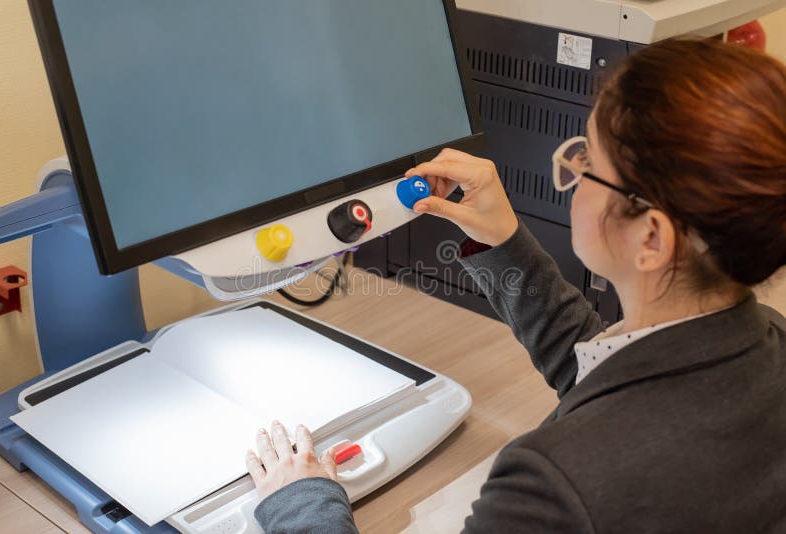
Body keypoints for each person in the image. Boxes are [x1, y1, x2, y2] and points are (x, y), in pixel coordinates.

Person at [246, 38, 786, 533]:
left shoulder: (555, 484)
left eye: (588, 164)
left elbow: (613, 438)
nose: (572, 176)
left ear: (652, 237)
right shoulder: (767, 341)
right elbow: (607, 379)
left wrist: (305, 505)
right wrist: (503, 237)